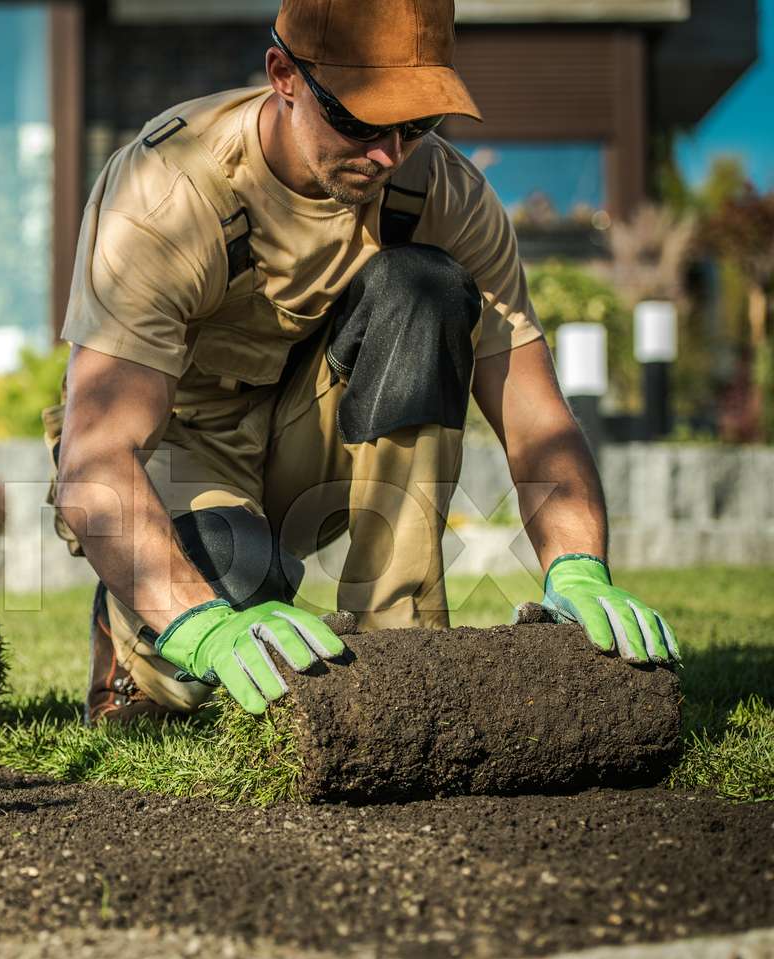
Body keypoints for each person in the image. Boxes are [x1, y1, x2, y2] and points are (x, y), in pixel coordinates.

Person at [45, 0, 680, 725]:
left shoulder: (443, 194)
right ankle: (134, 651)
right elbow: (95, 463)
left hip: (304, 445)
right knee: (235, 579)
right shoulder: (167, 190)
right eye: (360, 120)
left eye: (418, 124)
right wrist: (199, 623)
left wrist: (578, 566)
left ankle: (401, 647)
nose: (389, 153)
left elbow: (535, 414)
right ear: (283, 75)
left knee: (424, 286)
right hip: (181, 455)